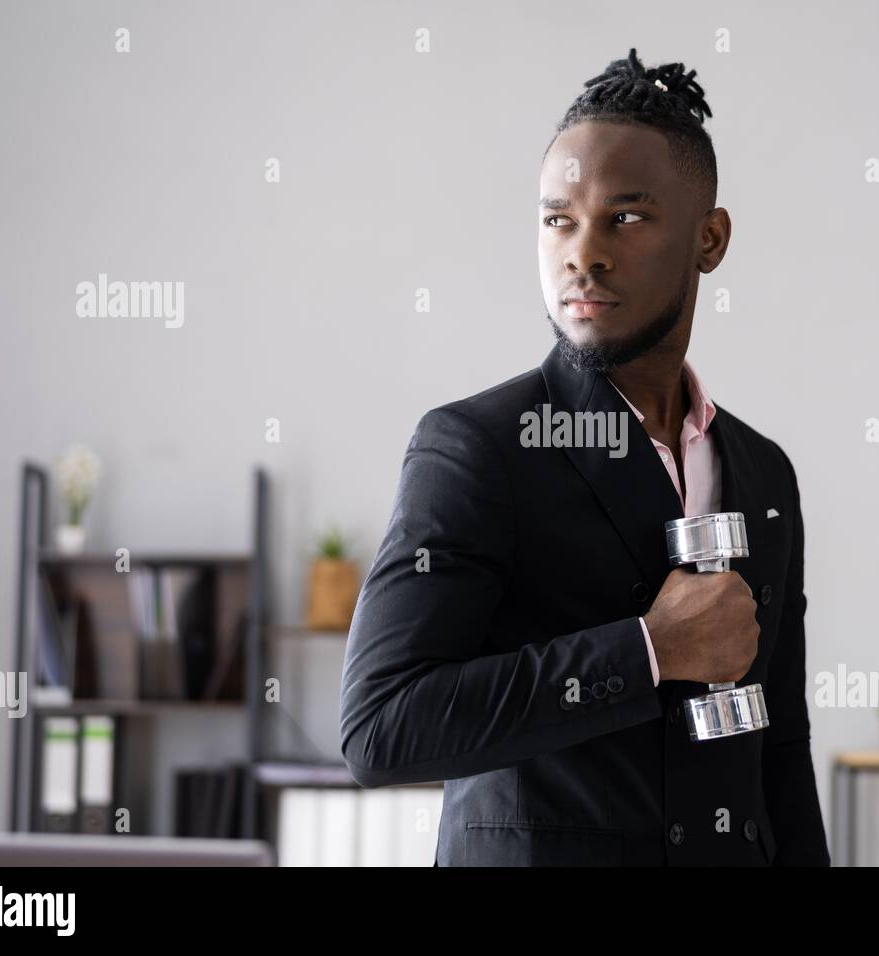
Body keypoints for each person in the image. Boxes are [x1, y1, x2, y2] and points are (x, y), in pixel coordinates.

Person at [340, 48, 829, 866]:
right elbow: (382, 727)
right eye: (558, 219)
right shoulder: (477, 448)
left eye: (626, 218)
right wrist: (649, 650)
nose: (582, 254)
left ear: (709, 239)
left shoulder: (765, 473)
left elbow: (779, 751)